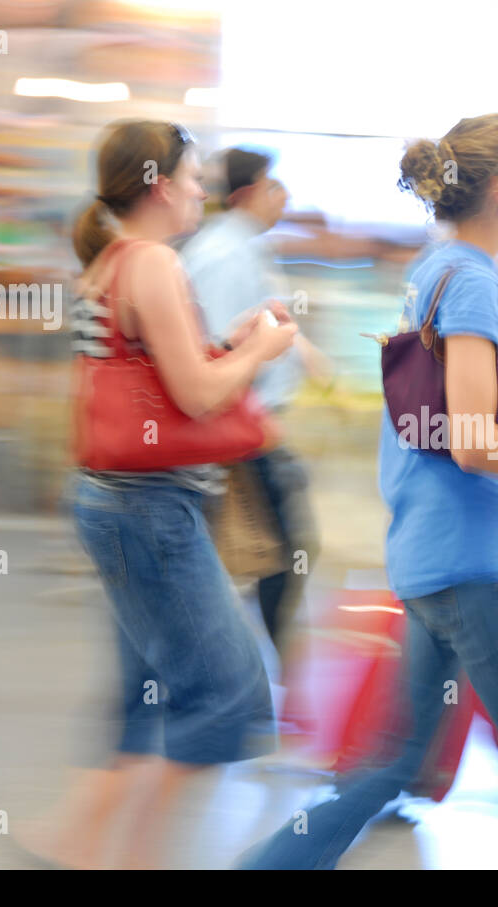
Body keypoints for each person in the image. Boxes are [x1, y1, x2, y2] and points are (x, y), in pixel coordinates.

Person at [240, 113, 498, 870]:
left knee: (388, 764)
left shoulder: (437, 268)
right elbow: (475, 440)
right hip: (473, 562)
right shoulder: (475, 283)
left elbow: (439, 406)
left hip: (424, 556)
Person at [15, 120, 298, 869]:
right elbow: (199, 395)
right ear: (159, 185)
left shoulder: (111, 262)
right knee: (229, 696)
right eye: (194, 174)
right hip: (150, 509)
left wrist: (233, 345)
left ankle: (79, 847)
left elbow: (160, 377)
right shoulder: (150, 264)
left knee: (148, 685)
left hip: (113, 500)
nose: (203, 187)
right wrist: (263, 350)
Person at [181, 148, 325, 678]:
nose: (282, 195)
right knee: (281, 549)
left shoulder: (243, 248)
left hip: (250, 424)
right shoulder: (225, 254)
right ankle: (271, 665)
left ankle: (260, 663)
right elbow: (217, 354)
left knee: (271, 550)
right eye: (273, 185)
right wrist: (257, 426)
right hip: (243, 430)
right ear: (245, 193)